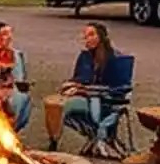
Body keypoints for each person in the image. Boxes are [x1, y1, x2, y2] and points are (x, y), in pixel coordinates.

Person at [45, 23, 118, 153]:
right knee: (53, 104)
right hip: (83, 95)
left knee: (63, 106)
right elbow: (80, 77)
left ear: (100, 36)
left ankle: (96, 134)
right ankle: (54, 140)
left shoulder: (112, 58)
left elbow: (108, 86)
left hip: (99, 99)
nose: (87, 39)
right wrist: (70, 84)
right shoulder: (84, 56)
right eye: (85, 36)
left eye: (91, 35)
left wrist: (80, 89)